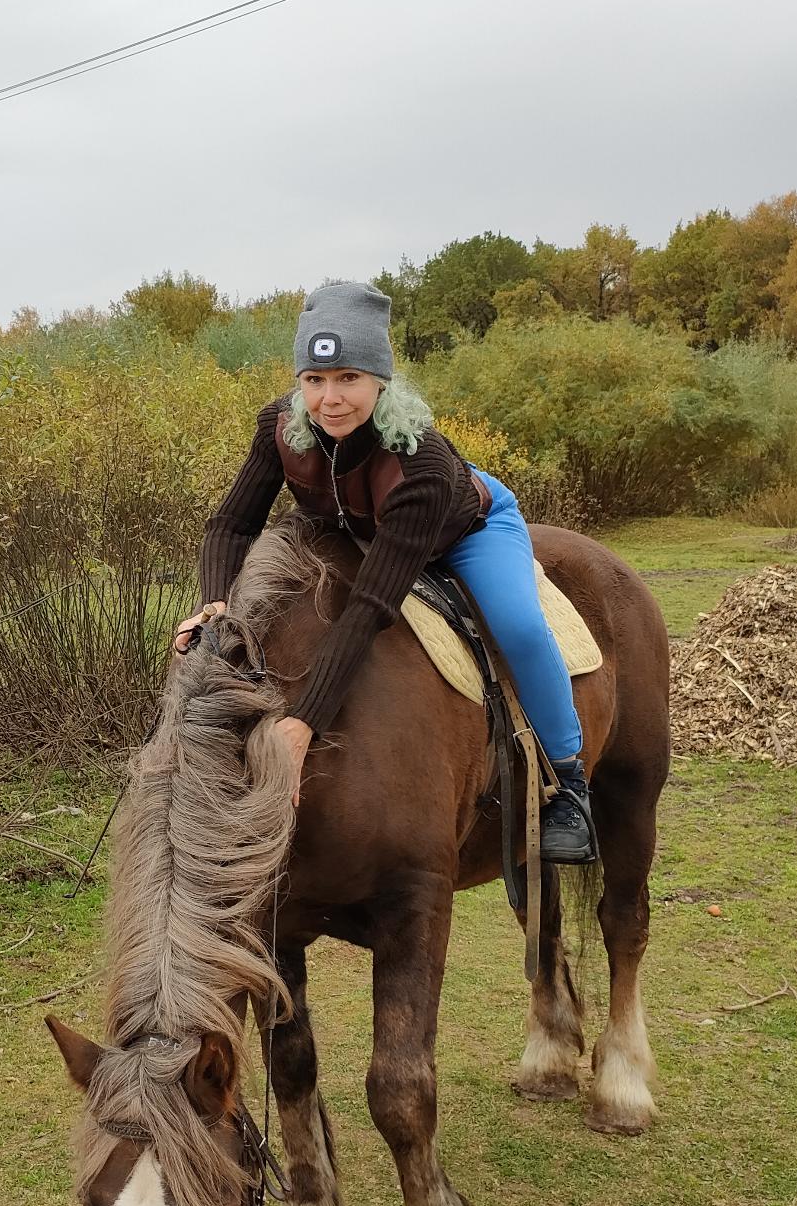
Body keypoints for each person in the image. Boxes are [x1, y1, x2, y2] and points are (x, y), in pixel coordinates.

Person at [173, 280, 596, 864]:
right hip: (360, 532)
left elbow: (371, 605)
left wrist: (304, 724)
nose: (330, 399)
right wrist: (216, 603)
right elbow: (229, 525)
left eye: (349, 378)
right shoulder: (280, 427)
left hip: (463, 533)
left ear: (380, 379)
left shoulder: (417, 462)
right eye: (314, 381)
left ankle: (570, 784)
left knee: (520, 625)